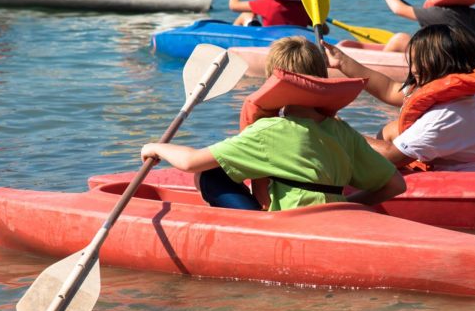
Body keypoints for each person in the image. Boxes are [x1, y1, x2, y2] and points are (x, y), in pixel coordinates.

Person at [141, 36, 406, 211]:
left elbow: (190, 162)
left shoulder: (270, 130)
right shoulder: (341, 130)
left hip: (288, 228)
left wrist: (155, 147)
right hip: (334, 218)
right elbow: (396, 184)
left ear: (272, 81)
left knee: (211, 174)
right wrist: (348, 206)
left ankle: (244, 233)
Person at [323, 24, 475, 173]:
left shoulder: (445, 116)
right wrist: (341, 62)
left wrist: (341, 131)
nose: (411, 68)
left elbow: (391, 157)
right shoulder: (448, 90)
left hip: (463, 181)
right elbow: (389, 89)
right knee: (392, 129)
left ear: (434, 63)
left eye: (415, 61)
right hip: (451, 163)